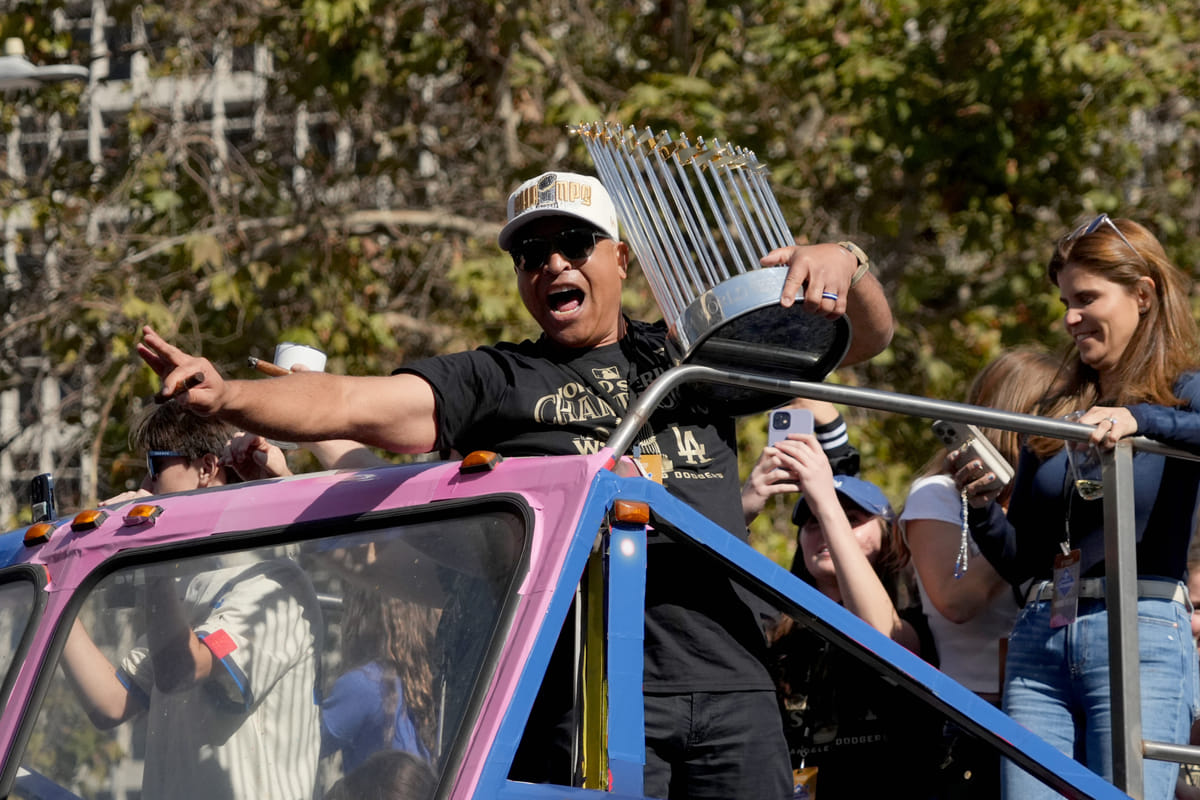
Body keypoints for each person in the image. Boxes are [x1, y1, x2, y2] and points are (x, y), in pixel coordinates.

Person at [136, 169, 894, 798]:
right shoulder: (498, 378)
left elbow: (861, 339)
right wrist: (227, 394)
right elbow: (348, 403)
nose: (552, 263)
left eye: (573, 243)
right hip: (592, 698)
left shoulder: (690, 355)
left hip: (735, 684)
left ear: (621, 259)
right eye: (530, 254)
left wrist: (846, 262)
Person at [954, 215, 1200, 800]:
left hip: (1139, 632)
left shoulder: (1185, 390)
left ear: (1142, 295)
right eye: (1066, 301)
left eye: (1086, 298)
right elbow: (1021, 562)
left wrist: (1143, 420)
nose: (1069, 317)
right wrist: (984, 506)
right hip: (1042, 631)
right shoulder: (1057, 408)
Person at [59, 403, 323, 800]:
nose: (146, 484)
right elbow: (111, 704)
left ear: (206, 468)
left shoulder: (275, 584)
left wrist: (149, 546)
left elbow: (182, 670)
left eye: (156, 465)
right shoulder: (192, 586)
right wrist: (57, 583)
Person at [899, 346, 1063, 799]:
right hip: (976, 720)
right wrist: (1015, 527)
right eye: (1058, 415)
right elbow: (956, 602)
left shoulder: (1055, 498)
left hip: (1053, 709)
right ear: (1021, 417)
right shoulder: (938, 496)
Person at [743, 436, 937, 797]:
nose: (826, 530)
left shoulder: (918, 616)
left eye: (852, 519)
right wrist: (743, 509)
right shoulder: (772, 619)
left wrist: (827, 503)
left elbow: (886, 640)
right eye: (812, 522)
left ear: (889, 535)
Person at [321, 585, 440, 771]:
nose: (343, 618)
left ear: (362, 614)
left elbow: (302, 744)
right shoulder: (433, 681)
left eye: (349, 604)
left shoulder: (364, 685)